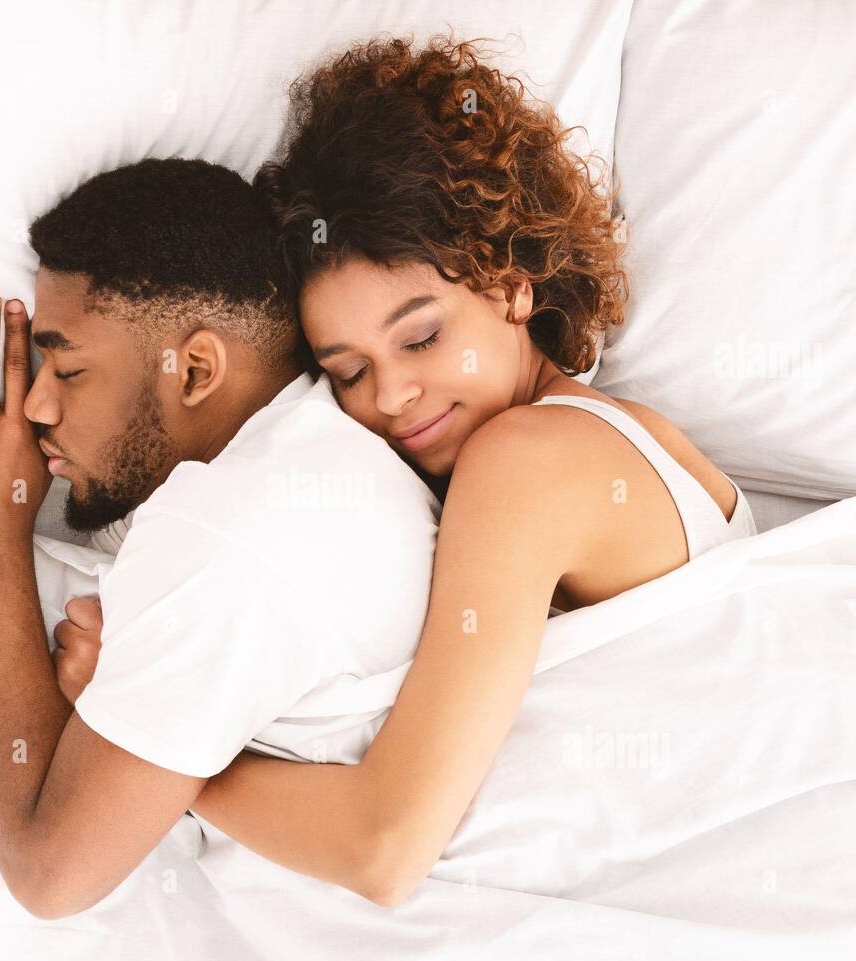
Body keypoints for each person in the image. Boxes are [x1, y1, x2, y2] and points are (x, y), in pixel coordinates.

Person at [55, 36, 758, 907]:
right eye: (347, 371)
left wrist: (174, 757)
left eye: (422, 336)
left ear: (511, 284)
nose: (391, 395)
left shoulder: (524, 464)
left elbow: (384, 849)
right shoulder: (584, 440)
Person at [0, 158, 439, 918]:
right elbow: (57, 530)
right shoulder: (288, 458)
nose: (35, 403)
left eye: (68, 367)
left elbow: (47, 871)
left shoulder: (227, 536)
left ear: (192, 368)